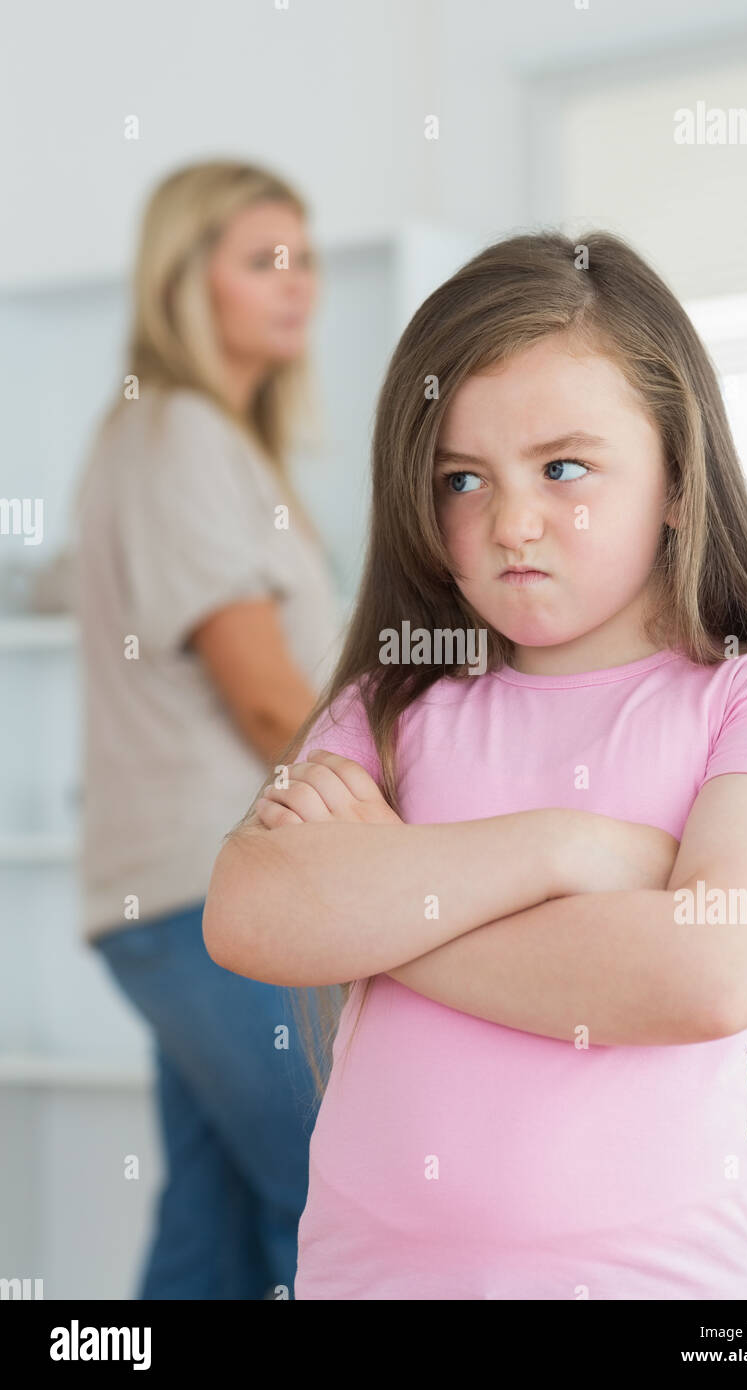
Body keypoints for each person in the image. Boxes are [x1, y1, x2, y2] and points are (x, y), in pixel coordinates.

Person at [202, 228, 747, 1300]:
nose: (510, 520)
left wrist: (389, 908)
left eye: (564, 467)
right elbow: (247, 916)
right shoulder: (392, 704)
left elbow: (704, 970)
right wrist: (566, 849)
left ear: (678, 481)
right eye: (463, 478)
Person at [72, 160, 344, 1299]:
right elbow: (272, 701)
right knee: (331, 1202)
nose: (298, 286)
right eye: (261, 261)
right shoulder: (182, 433)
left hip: (175, 900)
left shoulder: (188, 437)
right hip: (207, 898)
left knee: (213, 1221)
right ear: (187, 280)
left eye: (305, 258)